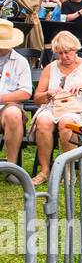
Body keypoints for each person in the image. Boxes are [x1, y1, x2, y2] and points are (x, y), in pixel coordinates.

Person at [30, 30, 82, 186]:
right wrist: (49, 93)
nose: (64, 56)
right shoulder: (50, 68)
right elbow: (37, 98)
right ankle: (45, 170)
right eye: (60, 53)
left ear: (75, 49)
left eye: (67, 52)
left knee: (66, 121)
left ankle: (69, 170)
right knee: (43, 121)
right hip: (53, 107)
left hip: (81, 110)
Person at [0, 21, 34, 169]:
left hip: (8, 106)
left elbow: (26, 92)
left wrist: (1, 98)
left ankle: (12, 166)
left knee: (13, 114)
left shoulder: (20, 61)